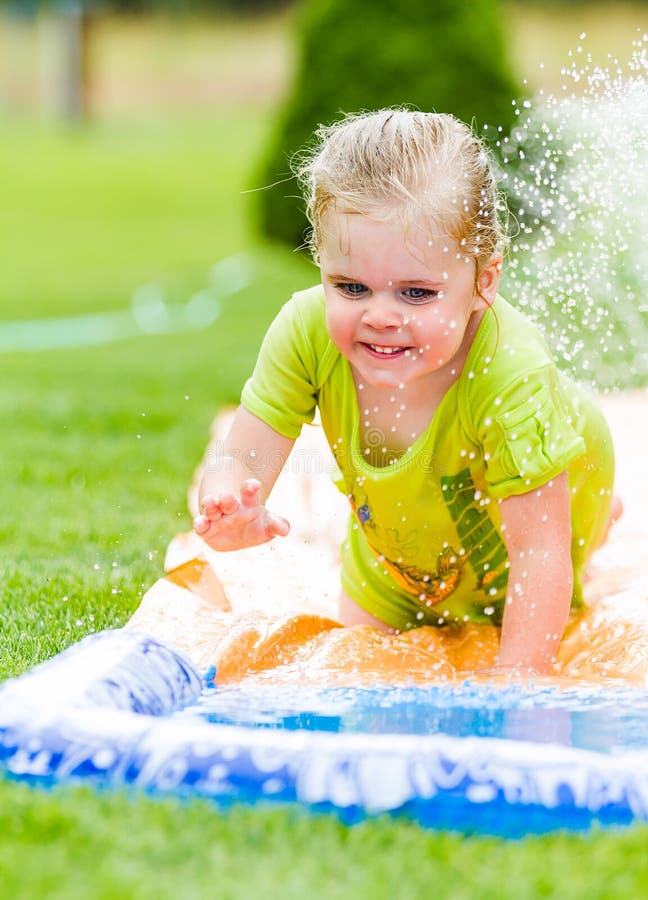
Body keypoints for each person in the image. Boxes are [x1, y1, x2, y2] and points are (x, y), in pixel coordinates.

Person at [193, 108, 617, 676]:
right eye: (351, 286)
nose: (380, 316)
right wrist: (227, 502)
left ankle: (597, 518)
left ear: (481, 283)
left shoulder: (512, 377)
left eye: (416, 293)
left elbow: (539, 557)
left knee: (543, 567)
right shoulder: (306, 332)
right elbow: (246, 447)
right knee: (362, 674)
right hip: (395, 556)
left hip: (545, 509)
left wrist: (518, 692)